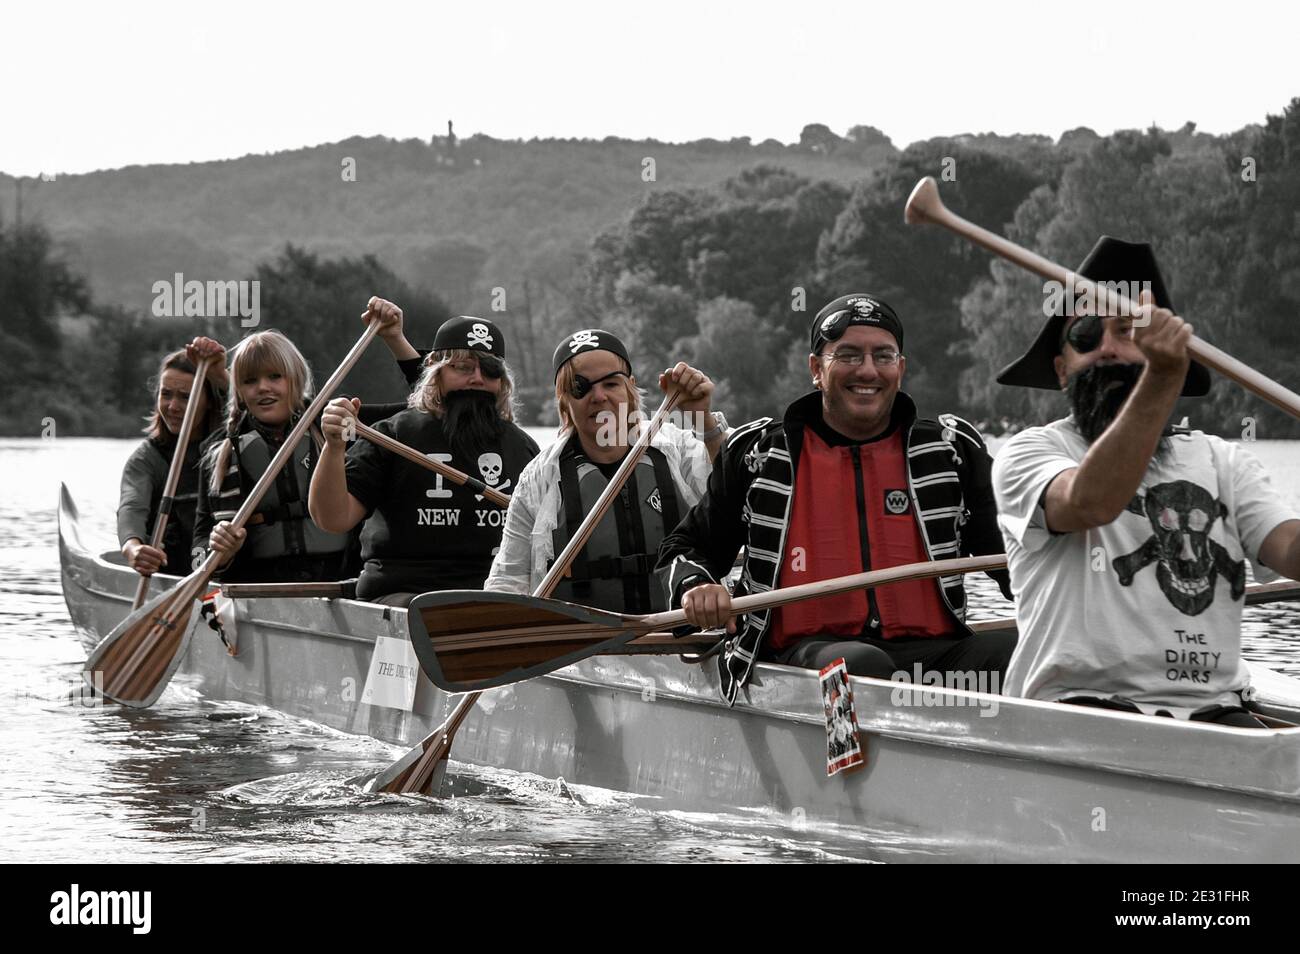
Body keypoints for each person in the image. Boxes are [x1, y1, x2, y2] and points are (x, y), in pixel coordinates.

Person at [992, 237, 1300, 727]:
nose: (1108, 348)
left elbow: (1291, 551)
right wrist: (1161, 378)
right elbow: (1091, 503)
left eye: (1129, 331)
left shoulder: (1224, 461)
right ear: (1060, 368)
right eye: (1086, 335)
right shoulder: (1029, 453)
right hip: (1072, 714)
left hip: (1216, 717)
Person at [658, 293, 1014, 705]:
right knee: (859, 665)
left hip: (933, 659)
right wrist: (697, 585)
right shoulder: (758, 454)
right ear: (816, 369)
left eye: (883, 356)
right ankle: (852, 764)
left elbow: (1014, 560)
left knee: (1020, 651)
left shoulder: (952, 452)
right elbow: (683, 549)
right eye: (848, 355)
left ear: (900, 368)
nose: (867, 370)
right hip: (803, 658)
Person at [484, 329, 726, 612]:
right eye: (580, 387)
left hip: (683, 645)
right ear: (563, 400)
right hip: (582, 652)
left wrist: (706, 420)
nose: (598, 397)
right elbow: (507, 582)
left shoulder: (678, 449)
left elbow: (735, 491)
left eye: (611, 384)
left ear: (630, 388)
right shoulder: (538, 479)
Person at [310, 307, 540, 606]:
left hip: (494, 602)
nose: (477, 378)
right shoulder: (392, 435)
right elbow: (332, 519)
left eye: (490, 370)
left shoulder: (524, 448)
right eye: (463, 367)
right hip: (402, 598)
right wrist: (333, 447)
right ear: (435, 372)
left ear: (503, 382)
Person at [194, 330, 355, 583]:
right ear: (240, 392)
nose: (262, 388)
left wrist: (395, 338)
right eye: (249, 381)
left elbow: (421, 408)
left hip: (340, 580)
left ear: (297, 380)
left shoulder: (337, 425)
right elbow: (197, 550)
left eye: (275, 376)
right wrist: (217, 552)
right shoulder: (218, 451)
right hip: (261, 586)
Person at [118, 337, 229, 578]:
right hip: (169, 575)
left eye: (186, 397)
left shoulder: (233, 443)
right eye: (166, 395)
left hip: (225, 577)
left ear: (210, 402)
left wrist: (221, 374)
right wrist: (133, 549)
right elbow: (132, 508)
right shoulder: (147, 458)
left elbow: (255, 406)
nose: (173, 406)